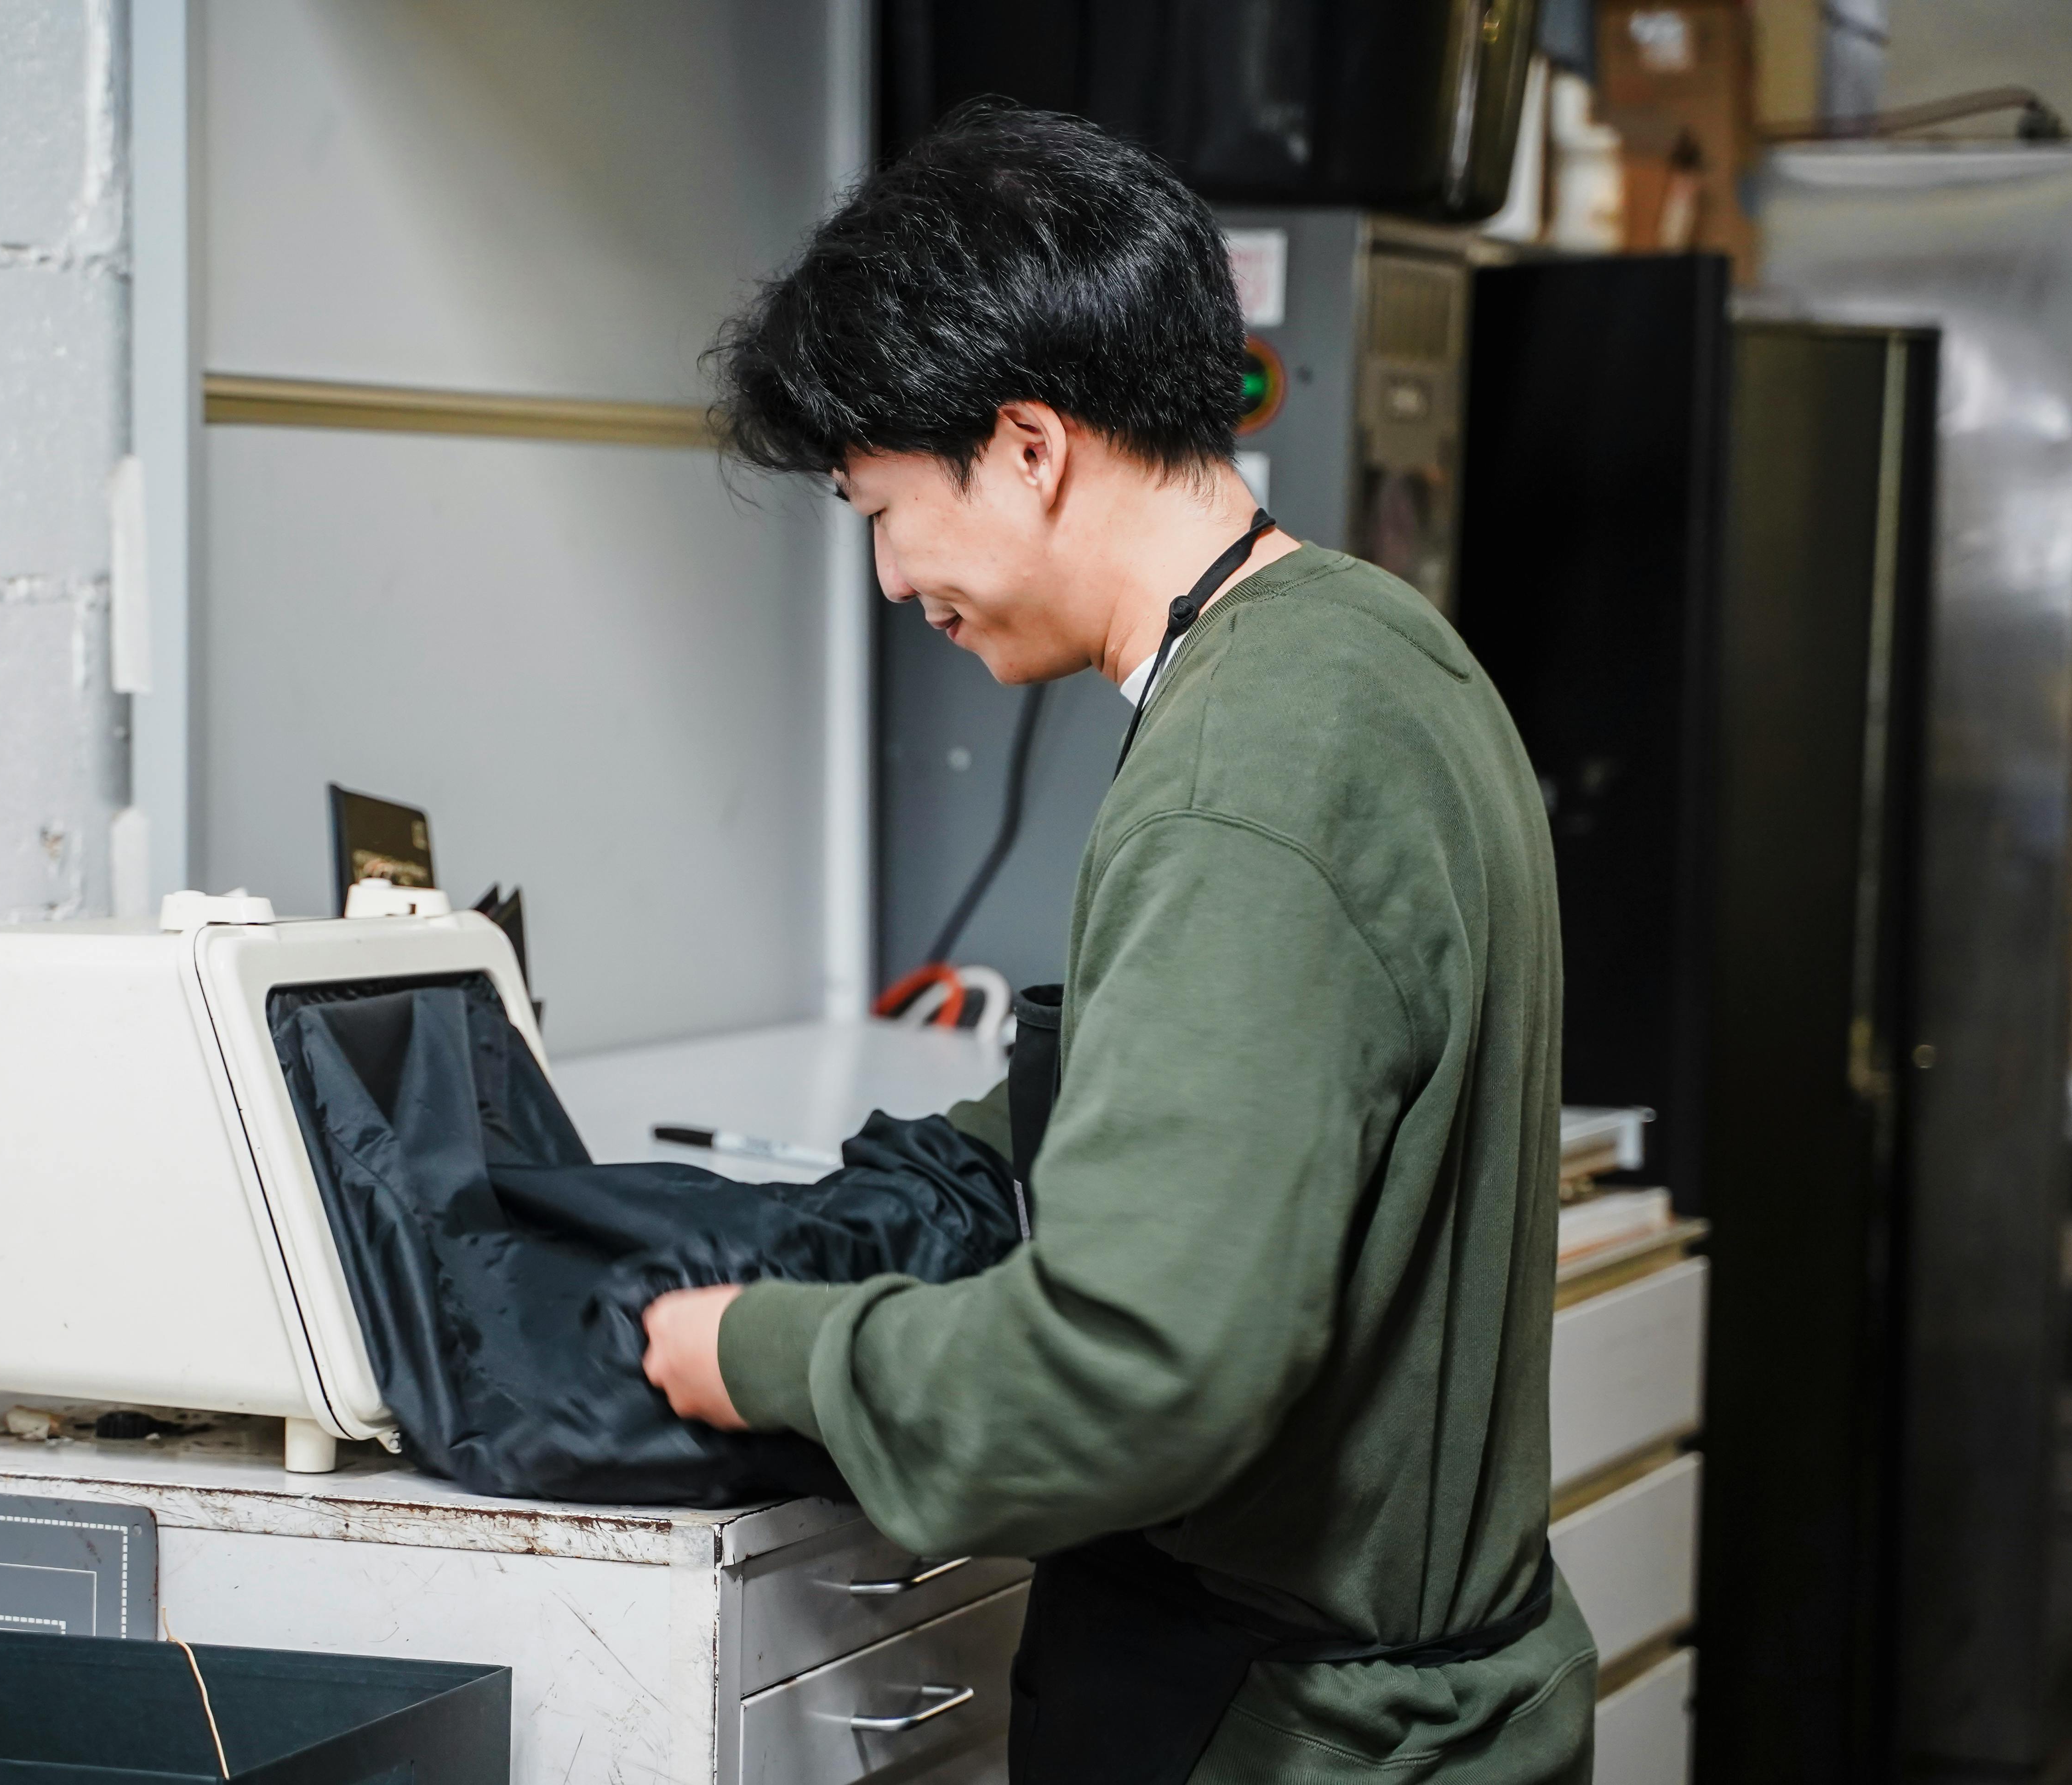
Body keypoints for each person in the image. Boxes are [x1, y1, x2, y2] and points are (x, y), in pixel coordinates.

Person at [639, 104, 1591, 1785]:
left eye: (881, 505)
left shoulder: (1248, 767)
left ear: (1025, 445)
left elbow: (1139, 1371)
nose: (886, 576)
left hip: (1302, 1736)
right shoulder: (1364, 646)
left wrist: (764, 1350)